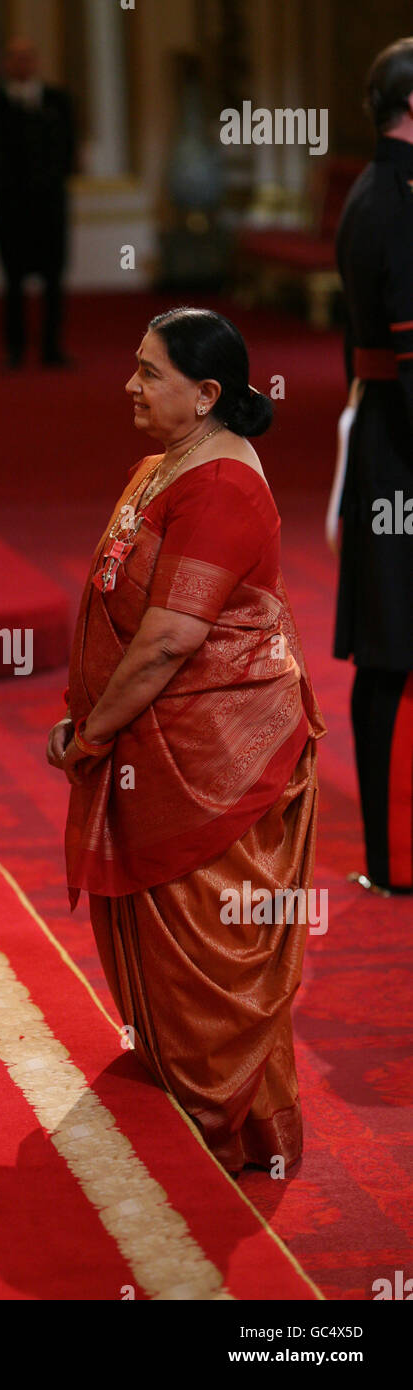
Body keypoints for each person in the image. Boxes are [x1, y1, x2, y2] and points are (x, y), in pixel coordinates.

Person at [47, 307, 326, 1175]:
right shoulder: (165, 465)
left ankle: (230, 1125)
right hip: (156, 741)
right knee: (159, 939)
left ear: (204, 394)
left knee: (208, 941)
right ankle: (173, 1096)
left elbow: (169, 639)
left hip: (214, 756)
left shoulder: (221, 487)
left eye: (148, 372)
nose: (129, 384)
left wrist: (89, 734)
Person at [331, 37, 413, 895]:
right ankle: (396, 859)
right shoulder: (400, 198)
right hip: (404, 452)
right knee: (395, 647)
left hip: (384, 440)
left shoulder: (371, 186)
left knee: (394, 643)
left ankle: (395, 853)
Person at [0, 36, 76, 369]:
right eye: (14, 57)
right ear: (5, 64)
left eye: (26, 57)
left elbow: (69, 150)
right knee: (13, 281)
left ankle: (52, 348)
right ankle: (15, 350)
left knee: (54, 279)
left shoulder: (58, 102)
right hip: (10, 207)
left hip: (51, 205)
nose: (21, 64)